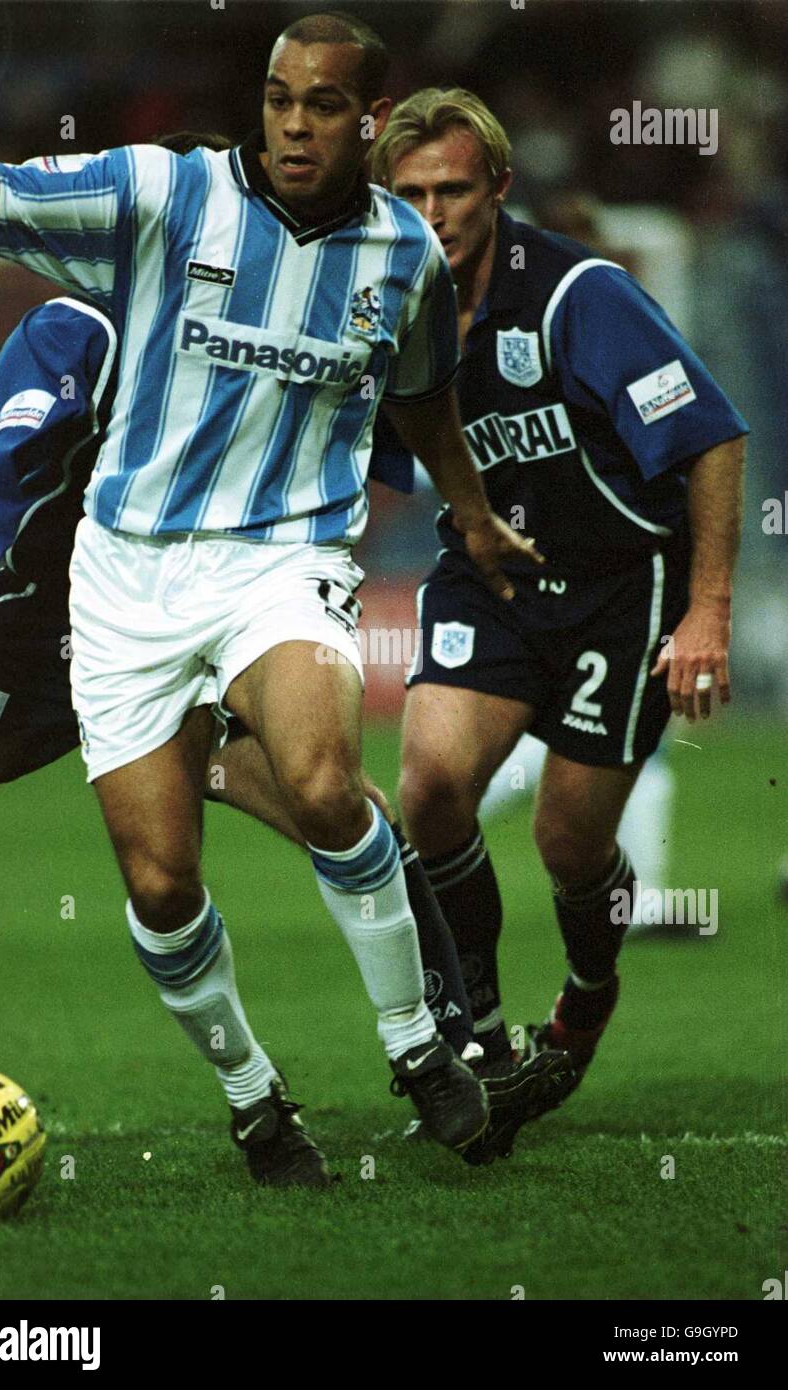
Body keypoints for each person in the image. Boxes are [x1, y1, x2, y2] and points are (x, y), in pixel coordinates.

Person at [0, 18, 567, 1186]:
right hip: (127, 575)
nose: (293, 123)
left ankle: (422, 1050)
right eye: (278, 99)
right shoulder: (160, 196)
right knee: (159, 879)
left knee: (326, 780)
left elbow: (426, 396)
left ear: (368, 122)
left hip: (280, 562)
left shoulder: (402, 259)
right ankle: (255, 1102)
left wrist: (473, 514)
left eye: (322, 105)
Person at [369, 88, 748, 1117]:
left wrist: (705, 610)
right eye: (408, 193)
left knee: (567, 843)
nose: (432, 212)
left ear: (496, 186)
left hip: (622, 588)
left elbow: (712, 437)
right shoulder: (382, 306)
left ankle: (586, 992)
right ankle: (482, 1038)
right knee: (430, 785)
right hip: (488, 578)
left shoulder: (579, 296)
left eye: (453, 188)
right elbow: (361, 462)